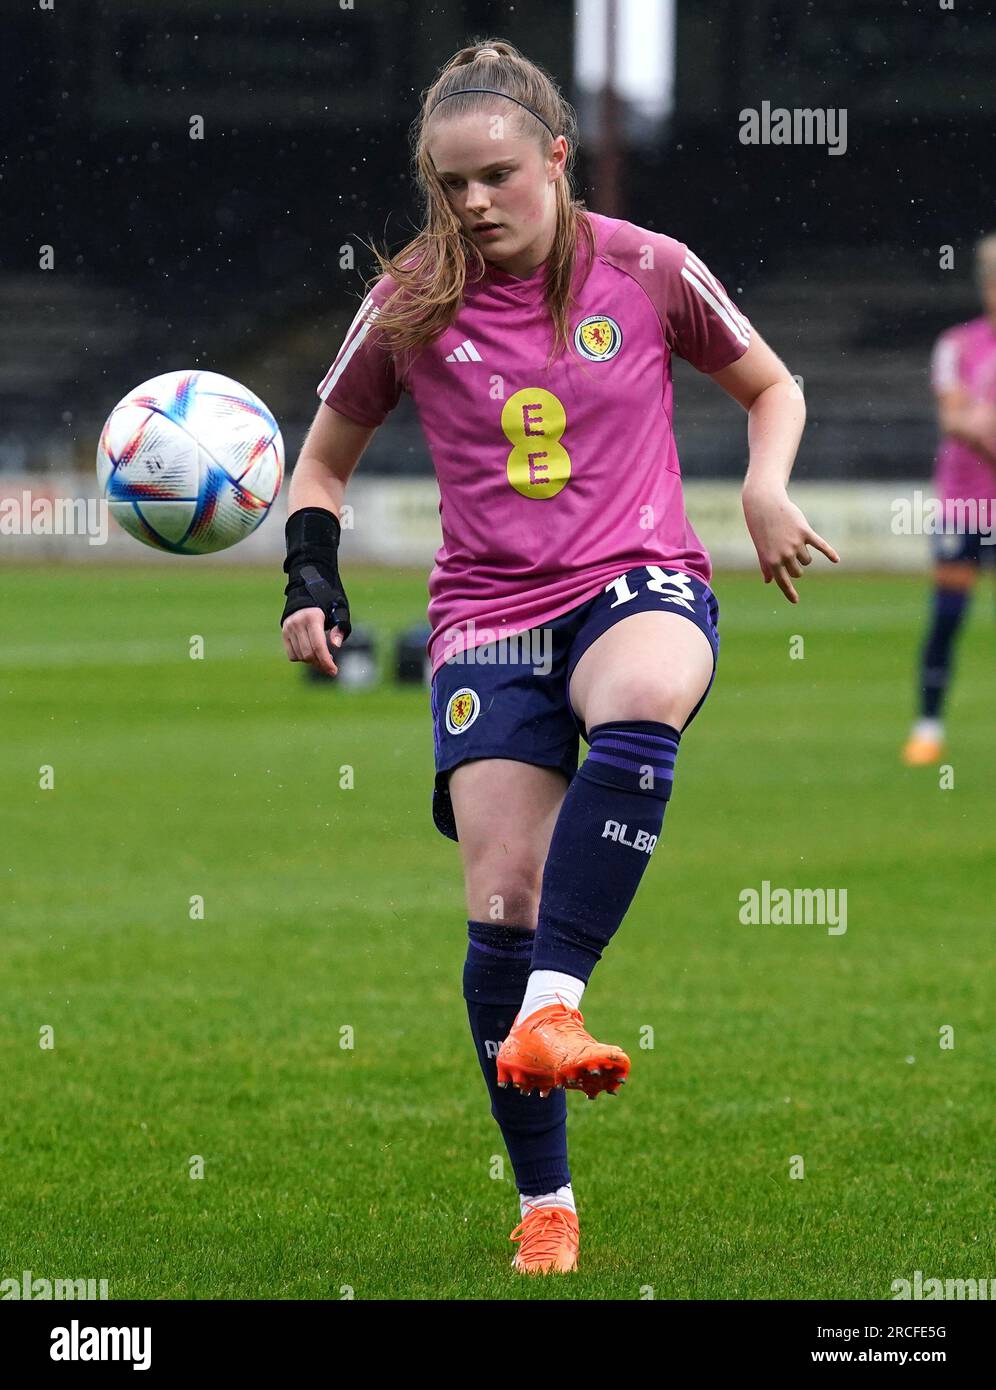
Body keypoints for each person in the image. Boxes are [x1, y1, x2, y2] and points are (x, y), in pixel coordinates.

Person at [279, 39, 838, 1275]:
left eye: (496, 177)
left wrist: (764, 486)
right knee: (504, 901)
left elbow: (773, 385)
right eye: (451, 184)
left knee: (642, 690)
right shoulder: (411, 297)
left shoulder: (649, 268)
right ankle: (547, 1198)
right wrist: (308, 574)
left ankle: (554, 1005)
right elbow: (320, 463)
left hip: (636, 577)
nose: (475, 204)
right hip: (486, 613)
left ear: (556, 159)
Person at [903, 235, 996, 766]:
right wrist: (975, 426)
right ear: (986, 287)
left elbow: (971, 421)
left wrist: (978, 425)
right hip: (968, 505)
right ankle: (928, 727)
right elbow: (954, 420)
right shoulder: (958, 344)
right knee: (948, 617)